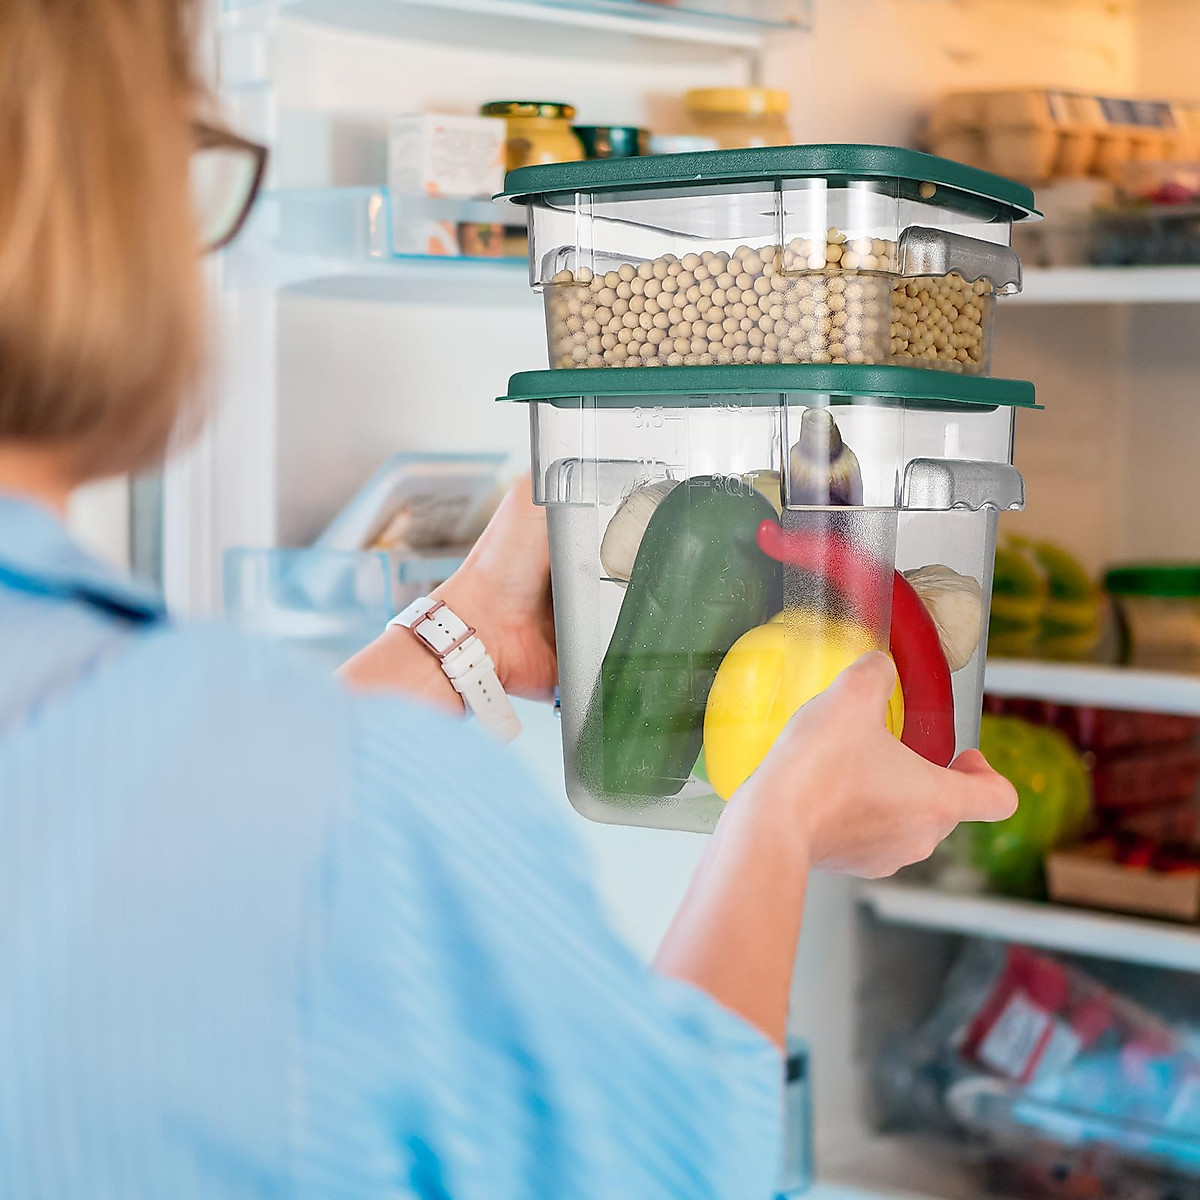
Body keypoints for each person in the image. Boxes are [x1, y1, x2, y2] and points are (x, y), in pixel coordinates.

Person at [0, 2, 1017, 1197]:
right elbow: (668, 1174)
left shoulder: (241, 779)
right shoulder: (361, 810)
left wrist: (465, 633)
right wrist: (781, 822)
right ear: (102, 214)